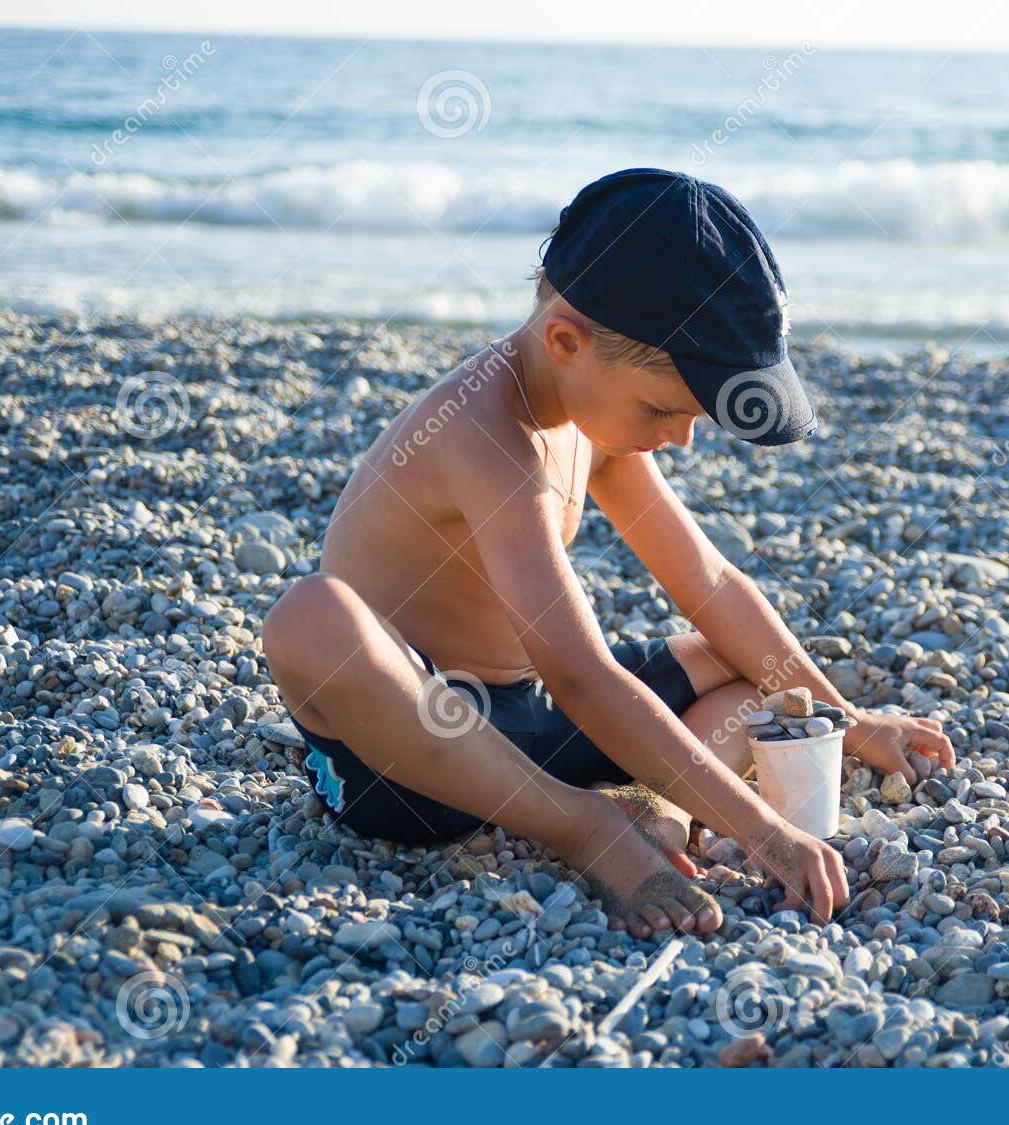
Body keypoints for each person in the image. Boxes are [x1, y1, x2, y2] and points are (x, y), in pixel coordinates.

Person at [262, 167, 954, 939]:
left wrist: (843, 718)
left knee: (738, 662)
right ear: (566, 339)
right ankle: (588, 828)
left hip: (531, 721)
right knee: (309, 616)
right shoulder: (485, 434)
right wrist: (766, 833)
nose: (683, 436)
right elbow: (582, 673)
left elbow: (711, 583)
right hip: (411, 759)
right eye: (665, 409)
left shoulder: (587, 412)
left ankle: (654, 810)